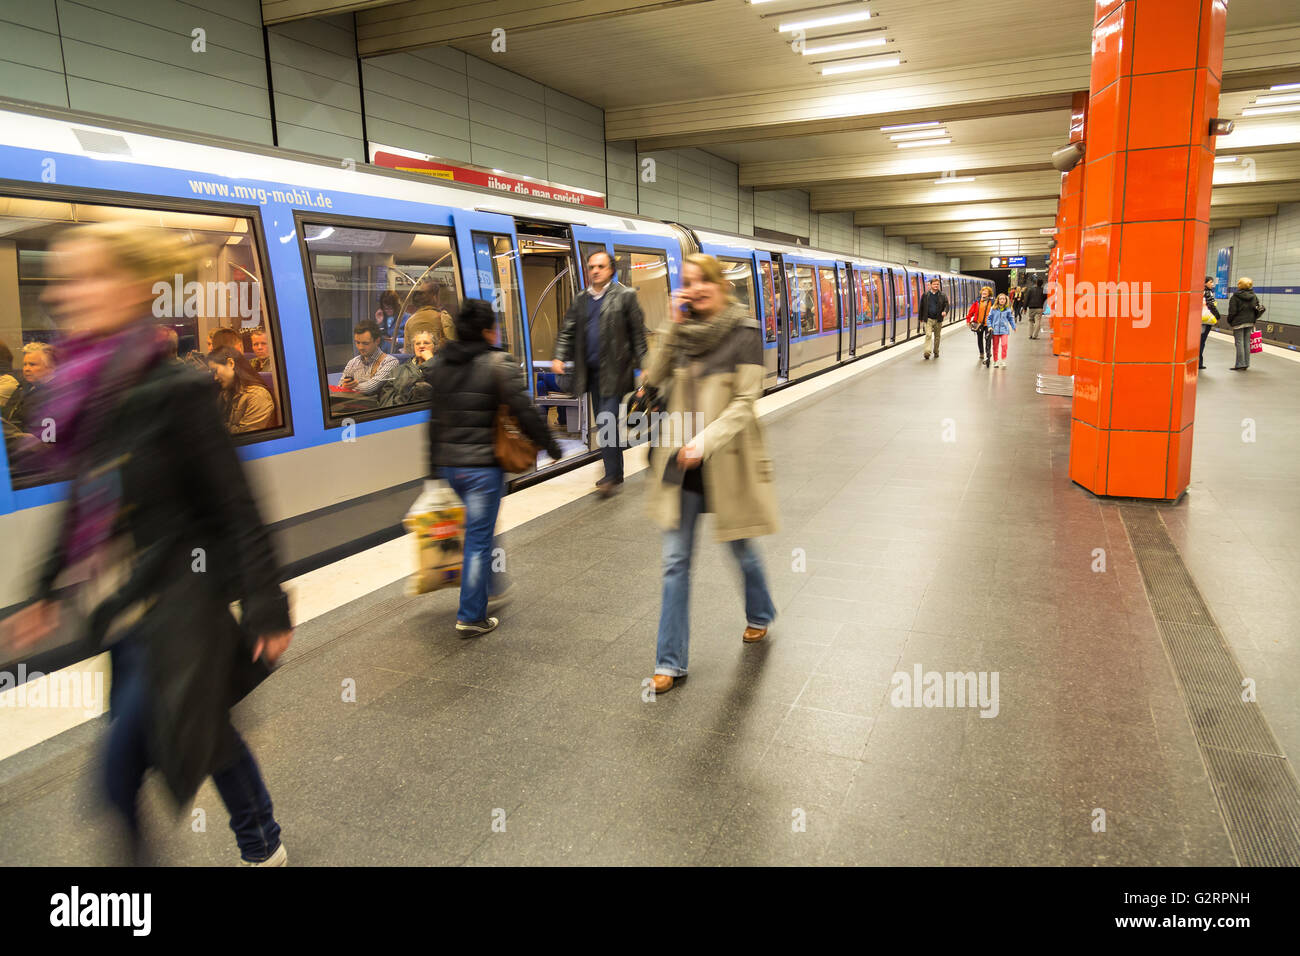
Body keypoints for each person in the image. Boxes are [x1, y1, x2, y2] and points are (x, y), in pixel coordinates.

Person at [0, 221, 294, 866]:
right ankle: (263, 839)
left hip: (177, 606)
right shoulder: (86, 390)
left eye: (89, 275)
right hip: (117, 612)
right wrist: (43, 588)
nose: (68, 292)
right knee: (206, 728)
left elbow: (234, 501)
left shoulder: (178, 390)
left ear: (134, 287)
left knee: (116, 778)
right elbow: (84, 498)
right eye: (64, 279)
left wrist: (266, 603)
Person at [641, 254, 779, 694]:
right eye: (687, 281)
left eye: (702, 281)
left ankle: (760, 613)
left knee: (741, 549)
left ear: (721, 284)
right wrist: (670, 325)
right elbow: (653, 379)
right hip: (681, 461)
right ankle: (670, 662)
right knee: (675, 562)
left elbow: (745, 401)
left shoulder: (746, 332)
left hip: (726, 458)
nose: (694, 288)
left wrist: (707, 441)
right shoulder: (681, 331)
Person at [422, 299, 563, 636]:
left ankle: (495, 585)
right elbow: (525, 411)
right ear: (488, 331)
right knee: (478, 540)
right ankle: (471, 615)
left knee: (480, 528)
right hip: (482, 469)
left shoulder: (440, 364)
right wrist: (552, 444)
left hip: (450, 467)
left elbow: (434, 421)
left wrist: (431, 472)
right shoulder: (499, 363)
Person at [552, 249, 648, 497]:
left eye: (600, 266)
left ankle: (611, 475)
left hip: (615, 371)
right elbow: (567, 330)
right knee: (606, 422)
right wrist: (559, 356)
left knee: (606, 420)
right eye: (591, 267)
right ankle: (615, 472)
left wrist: (645, 364)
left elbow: (638, 334)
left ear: (611, 270)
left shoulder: (625, 297)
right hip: (591, 372)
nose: (595, 271)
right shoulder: (581, 299)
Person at [207, 346, 275, 433]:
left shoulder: (257, 396)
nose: (215, 378)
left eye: (215, 371)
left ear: (231, 363)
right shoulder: (226, 392)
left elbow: (246, 434)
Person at [378, 320, 436, 408]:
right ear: (414, 347)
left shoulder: (444, 369)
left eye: (426, 343)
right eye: (418, 343)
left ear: (434, 347)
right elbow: (386, 401)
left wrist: (430, 362)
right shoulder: (397, 371)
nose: (421, 346)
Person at [339, 318, 399, 394]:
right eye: (357, 342)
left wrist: (349, 387)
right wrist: (344, 386)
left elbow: (370, 387)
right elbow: (340, 386)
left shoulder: (390, 362)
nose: (360, 347)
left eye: (365, 343)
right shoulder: (353, 362)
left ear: (377, 341)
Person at [1227, 277, 1262, 371]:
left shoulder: (1235, 297)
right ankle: (1246, 363)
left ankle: (1240, 364)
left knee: (1239, 343)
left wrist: (1230, 321)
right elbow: (1257, 308)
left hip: (1238, 322)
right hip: (1250, 322)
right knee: (1246, 342)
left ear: (1240, 285)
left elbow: (1232, 311)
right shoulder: (1254, 296)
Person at [919, 276, 949, 360]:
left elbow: (947, 305)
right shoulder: (925, 295)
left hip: (938, 319)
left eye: (937, 284)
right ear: (930, 285)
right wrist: (920, 317)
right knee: (928, 335)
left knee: (937, 337)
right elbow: (921, 306)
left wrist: (945, 312)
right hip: (928, 319)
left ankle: (936, 351)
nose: (936, 286)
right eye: (934, 284)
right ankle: (927, 352)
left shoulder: (942, 295)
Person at [965, 285, 995, 367]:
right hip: (979, 324)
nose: (984, 293)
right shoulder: (977, 302)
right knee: (979, 339)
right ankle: (981, 352)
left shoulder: (992, 302)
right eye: (983, 291)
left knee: (988, 339)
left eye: (986, 292)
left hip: (988, 324)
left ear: (989, 294)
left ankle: (988, 353)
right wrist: (968, 320)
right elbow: (971, 312)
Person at [986, 292, 1016, 368]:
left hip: (1004, 330)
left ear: (1006, 300)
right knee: (995, 346)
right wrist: (989, 326)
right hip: (995, 330)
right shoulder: (993, 309)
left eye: (1003, 299)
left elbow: (1011, 319)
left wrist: (1013, 326)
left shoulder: (1008, 310)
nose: (1002, 300)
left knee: (1004, 345)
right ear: (998, 300)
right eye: (1000, 299)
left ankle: (1003, 360)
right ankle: (995, 361)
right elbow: (989, 318)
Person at [1199, 276, 1221, 371]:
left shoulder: (1200, 291)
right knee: (1201, 341)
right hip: (1205, 320)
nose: (1212, 284)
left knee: (1199, 340)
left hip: (1200, 318)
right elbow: (1211, 305)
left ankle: (1198, 361)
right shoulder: (1207, 292)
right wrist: (1217, 317)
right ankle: (1199, 362)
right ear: (1205, 283)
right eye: (1211, 282)